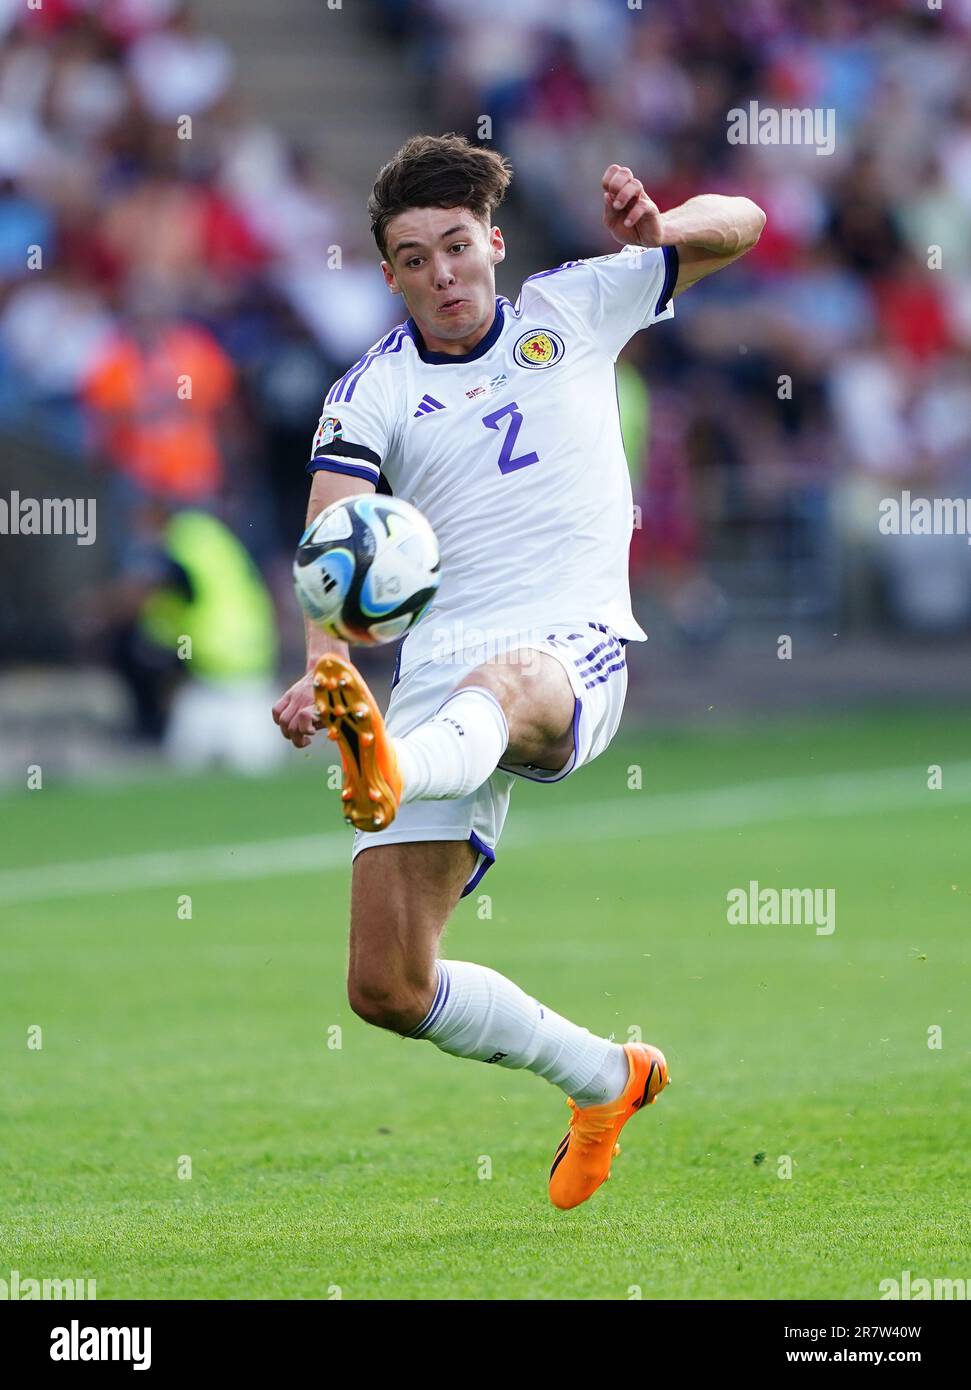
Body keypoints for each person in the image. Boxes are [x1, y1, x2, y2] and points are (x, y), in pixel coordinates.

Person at [273, 134, 764, 1209]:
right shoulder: (370, 391)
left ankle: (394, 762)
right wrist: (323, 670)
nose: (440, 273)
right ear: (390, 274)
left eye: (455, 246)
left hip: (569, 644)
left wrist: (660, 230)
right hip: (431, 678)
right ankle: (604, 1077)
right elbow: (331, 545)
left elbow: (745, 220)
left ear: (491, 242)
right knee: (387, 985)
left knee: (502, 686)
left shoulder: (570, 306)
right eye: (413, 259)